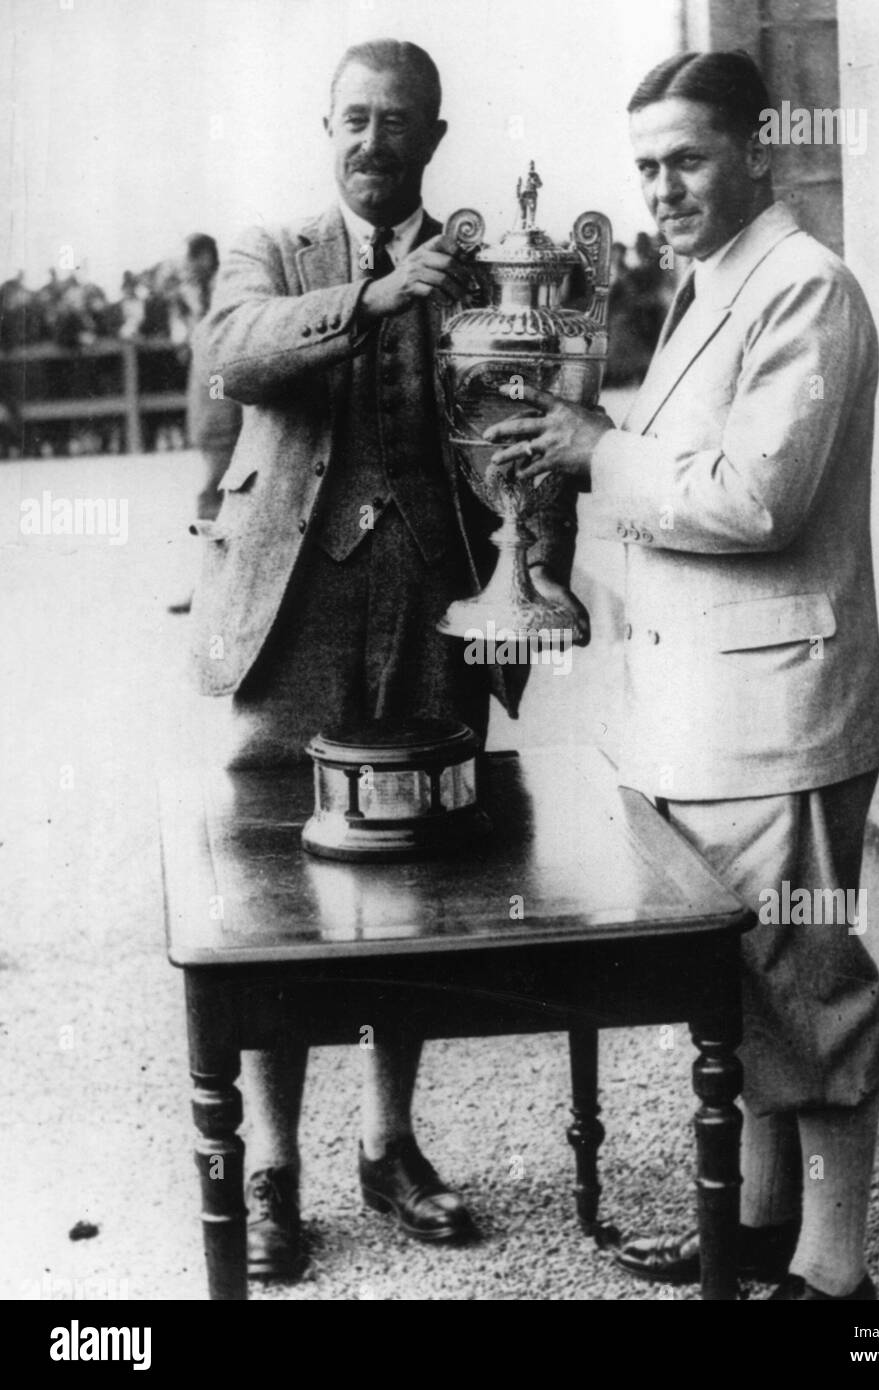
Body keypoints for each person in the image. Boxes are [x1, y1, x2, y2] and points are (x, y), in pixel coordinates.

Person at [485, 49, 879, 1301]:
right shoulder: (715, 279)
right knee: (744, 978)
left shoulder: (806, 288)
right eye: (647, 165)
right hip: (705, 712)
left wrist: (601, 450)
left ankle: (835, 1274)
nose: (660, 187)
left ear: (759, 149)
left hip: (779, 714)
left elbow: (758, 499)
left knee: (807, 988)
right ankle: (760, 1226)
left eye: (688, 160)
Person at [188, 38, 586, 1281]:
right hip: (294, 610)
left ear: (434, 133)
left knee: (413, 873)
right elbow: (235, 357)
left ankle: (389, 1143)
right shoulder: (275, 252)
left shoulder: (486, 268)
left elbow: (534, 408)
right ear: (327, 124)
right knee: (276, 895)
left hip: (435, 604)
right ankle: (272, 1168)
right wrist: (370, 299)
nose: (372, 140)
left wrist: (541, 555)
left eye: (397, 120)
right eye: (354, 118)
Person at [168, 235, 243, 613]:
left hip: (222, 409)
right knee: (215, 495)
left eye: (190, 258)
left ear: (205, 257)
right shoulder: (190, 299)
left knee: (216, 495)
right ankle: (215, 587)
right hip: (207, 407)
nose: (186, 266)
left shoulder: (223, 292)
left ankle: (218, 590)